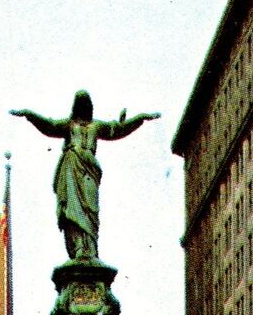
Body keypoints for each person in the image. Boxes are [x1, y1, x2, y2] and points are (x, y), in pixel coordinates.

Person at [10, 92, 160, 263]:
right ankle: (79, 246)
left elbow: (117, 130)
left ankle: (91, 247)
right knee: (72, 209)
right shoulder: (69, 124)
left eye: (85, 102)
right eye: (80, 102)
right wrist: (30, 115)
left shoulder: (96, 125)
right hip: (71, 166)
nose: (83, 106)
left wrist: (140, 118)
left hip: (90, 169)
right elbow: (50, 126)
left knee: (90, 209)